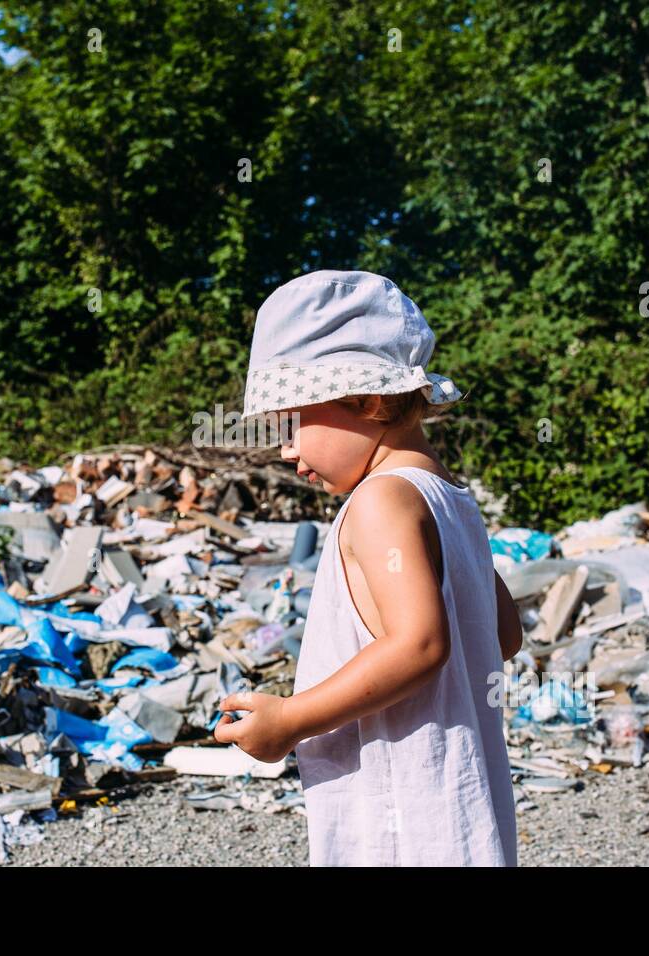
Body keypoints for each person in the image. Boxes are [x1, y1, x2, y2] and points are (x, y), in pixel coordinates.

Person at [213, 270, 522, 866]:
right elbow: (501, 636)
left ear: (369, 400)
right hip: (461, 813)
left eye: (294, 421)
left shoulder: (381, 500)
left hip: (403, 820)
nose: (286, 449)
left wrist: (288, 721)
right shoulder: (451, 501)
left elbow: (420, 646)